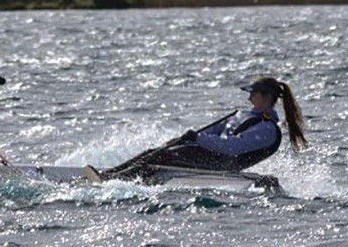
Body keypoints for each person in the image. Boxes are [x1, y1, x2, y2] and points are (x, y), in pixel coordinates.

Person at [83, 77, 306, 183]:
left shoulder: (267, 129)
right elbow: (216, 132)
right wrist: (191, 138)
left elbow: (233, 147)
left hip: (220, 162)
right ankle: (111, 174)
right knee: (158, 149)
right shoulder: (242, 114)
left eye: (253, 94)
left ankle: (114, 181)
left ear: (267, 98)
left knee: (165, 156)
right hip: (207, 154)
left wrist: (198, 138)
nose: (249, 97)